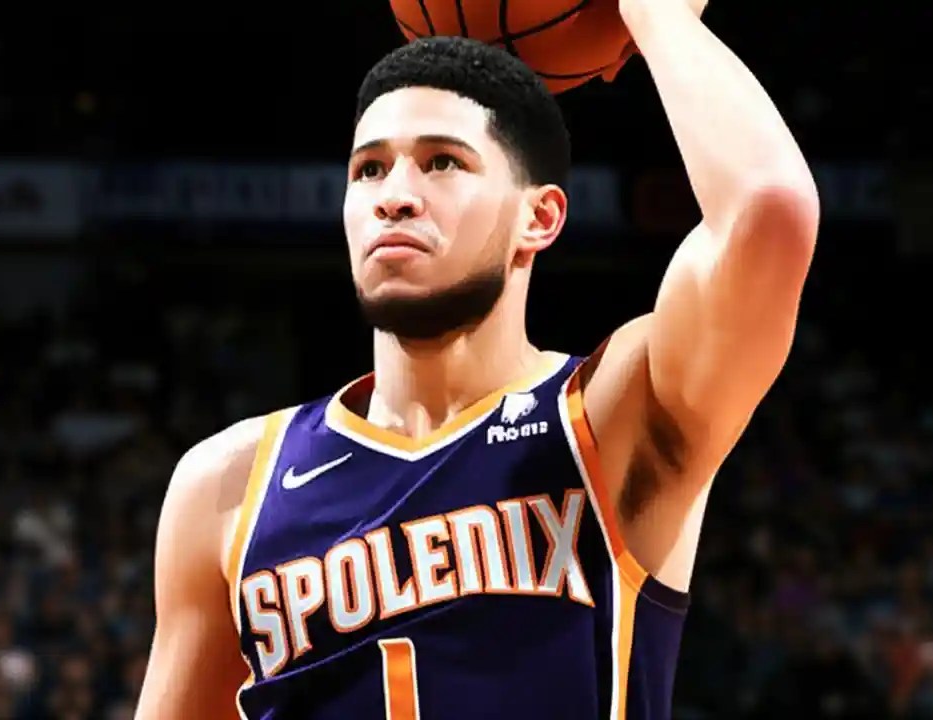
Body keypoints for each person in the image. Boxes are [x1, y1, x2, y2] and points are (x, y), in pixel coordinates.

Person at [135, 0, 818, 716]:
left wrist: (659, 18)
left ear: (540, 216)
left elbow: (768, 212)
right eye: (369, 171)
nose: (395, 196)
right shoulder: (228, 485)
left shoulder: (610, 416)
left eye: (442, 162)